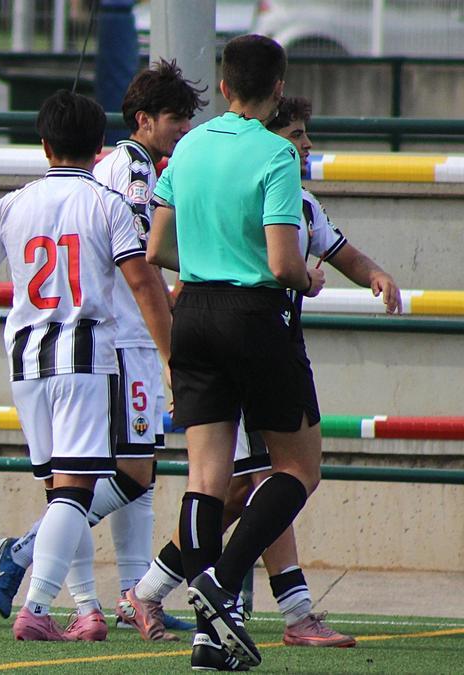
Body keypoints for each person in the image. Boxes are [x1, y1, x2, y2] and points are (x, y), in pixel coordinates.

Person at [122, 95, 402, 655]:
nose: (305, 145)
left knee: (230, 489)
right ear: (270, 132)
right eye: (296, 133)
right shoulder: (258, 178)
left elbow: (337, 247)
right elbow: (274, 266)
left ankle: (168, 600)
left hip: (220, 333)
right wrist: (300, 281)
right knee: (274, 480)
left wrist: (373, 273)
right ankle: (263, 602)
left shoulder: (298, 200)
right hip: (253, 337)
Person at [0, 89, 172, 642]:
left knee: (62, 492)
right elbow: (142, 283)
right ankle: (38, 607)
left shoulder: (13, 203)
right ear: (99, 149)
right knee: (76, 493)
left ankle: (87, 607)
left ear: (43, 144)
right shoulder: (107, 203)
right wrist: (170, 358)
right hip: (83, 357)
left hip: (26, 361)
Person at [0, 60, 206, 638]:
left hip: (92, 341)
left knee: (116, 475)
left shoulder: (120, 166)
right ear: (144, 120)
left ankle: (118, 597)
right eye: (176, 119)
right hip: (121, 338)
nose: (183, 130)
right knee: (127, 475)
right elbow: (144, 256)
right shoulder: (132, 172)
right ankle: (29, 554)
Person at [146, 35, 325, 670]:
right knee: (299, 468)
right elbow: (282, 260)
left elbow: (157, 249)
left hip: (191, 310)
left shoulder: (187, 146)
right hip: (254, 316)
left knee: (205, 477)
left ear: (223, 87)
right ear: (278, 88)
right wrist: (306, 275)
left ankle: (206, 632)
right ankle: (223, 579)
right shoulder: (276, 152)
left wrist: (208, 258)